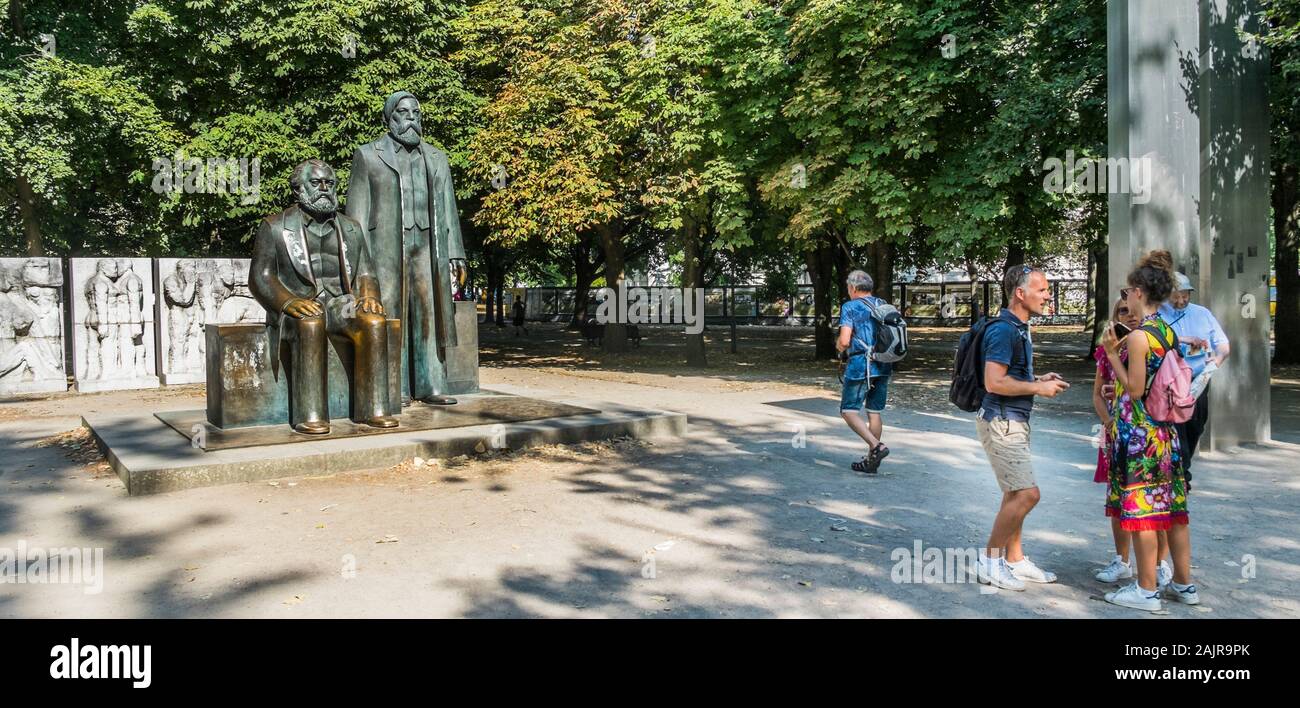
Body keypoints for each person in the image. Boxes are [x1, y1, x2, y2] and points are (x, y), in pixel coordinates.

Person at [250, 159, 397, 434]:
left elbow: (366, 273)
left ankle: (375, 408)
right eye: (315, 183)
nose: (324, 189)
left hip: (340, 304)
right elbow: (261, 277)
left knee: (373, 320)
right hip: (299, 304)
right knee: (310, 321)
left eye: (329, 183)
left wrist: (369, 297)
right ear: (298, 189)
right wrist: (288, 302)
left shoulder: (351, 228)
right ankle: (311, 414)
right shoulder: (274, 227)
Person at [1100, 250, 1197, 612]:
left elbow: (1137, 391)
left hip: (1142, 436)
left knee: (1142, 512)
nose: (1125, 297)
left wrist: (1112, 355)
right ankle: (1184, 585)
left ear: (1139, 292)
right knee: (1172, 512)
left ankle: (1146, 590)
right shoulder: (1167, 331)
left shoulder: (1141, 337)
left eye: (1127, 291)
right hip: (1166, 434)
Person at [973, 264, 1069, 591]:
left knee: (1014, 493)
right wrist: (1037, 389)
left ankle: (1013, 558)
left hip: (1013, 420)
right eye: (1042, 290)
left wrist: (1037, 379)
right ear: (1020, 293)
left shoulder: (1019, 327)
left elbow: (1010, 375)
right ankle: (989, 561)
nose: (1047, 295)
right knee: (1028, 495)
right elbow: (994, 381)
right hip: (1001, 422)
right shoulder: (1003, 330)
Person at [1092, 299, 1175, 584]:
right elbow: (1098, 394)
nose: (1129, 316)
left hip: (1149, 434)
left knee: (1153, 503)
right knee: (1120, 500)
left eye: (1133, 309)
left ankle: (1159, 565)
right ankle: (1122, 560)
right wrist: (1109, 422)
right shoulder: (1110, 351)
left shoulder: (1150, 343)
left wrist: (1123, 390)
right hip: (1121, 433)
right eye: (1122, 312)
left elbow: (1138, 389)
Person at [1158, 272, 1229, 476]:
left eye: (1185, 295)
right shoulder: (1157, 315)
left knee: (1196, 424)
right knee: (1176, 426)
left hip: (1199, 379)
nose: (1181, 300)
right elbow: (1152, 340)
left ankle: (1183, 464)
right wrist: (1182, 339)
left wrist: (1217, 359)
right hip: (1171, 381)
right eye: (1176, 295)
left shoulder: (1202, 313)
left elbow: (1222, 344)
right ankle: (1181, 471)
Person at [836, 270, 892, 474]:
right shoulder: (883, 304)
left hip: (861, 364)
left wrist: (840, 348)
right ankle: (871, 460)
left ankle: (877, 446)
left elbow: (844, 340)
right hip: (884, 363)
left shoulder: (850, 307)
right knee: (874, 412)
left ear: (852, 288)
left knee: (848, 410)